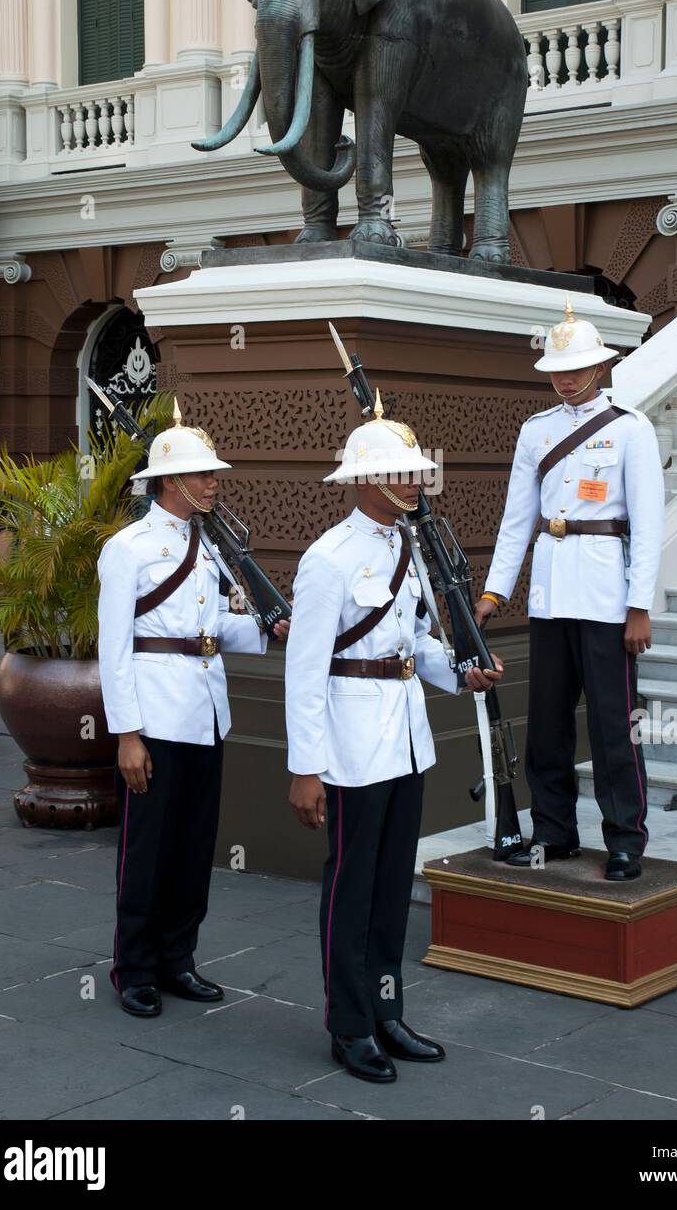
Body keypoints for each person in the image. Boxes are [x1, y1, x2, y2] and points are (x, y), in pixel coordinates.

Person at [286, 397, 503, 1083]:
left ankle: (386, 1011)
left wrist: (459, 672)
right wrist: (305, 768)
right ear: (364, 480)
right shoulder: (329, 559)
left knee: (389, 891)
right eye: (401, 472)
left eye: (415, 471)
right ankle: (349, 1027)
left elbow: (413, 643)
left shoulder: (406, 546)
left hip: (404, 738)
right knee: (351, 891)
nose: (414, 482)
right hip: (349, 746)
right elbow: (305, 669)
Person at [97, 402, 289, 1018]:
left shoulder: (209, 546)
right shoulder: (128, 548)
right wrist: (127, 734)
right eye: (204, 475)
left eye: (213, 474)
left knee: (192, 844)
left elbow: (208, 631)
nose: (214, 483)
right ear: (172, 482)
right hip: (154, 716)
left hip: (206, 711)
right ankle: (134, 968)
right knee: (147, 847)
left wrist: (264, 627)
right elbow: (114, 647)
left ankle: (179, 959)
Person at [475, 299, 664, 882]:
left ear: (600, 368)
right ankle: (554, 831)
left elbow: (650, 522)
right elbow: (516, 520)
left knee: (613, 727)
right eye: (557, 369)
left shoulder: (631, 428)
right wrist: (493, 594)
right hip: (552, 595)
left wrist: (639, 607)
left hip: (608, 597)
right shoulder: (537, 431)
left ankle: (626, 839)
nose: (564, 379)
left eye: (576, 368)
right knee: (547, 723)